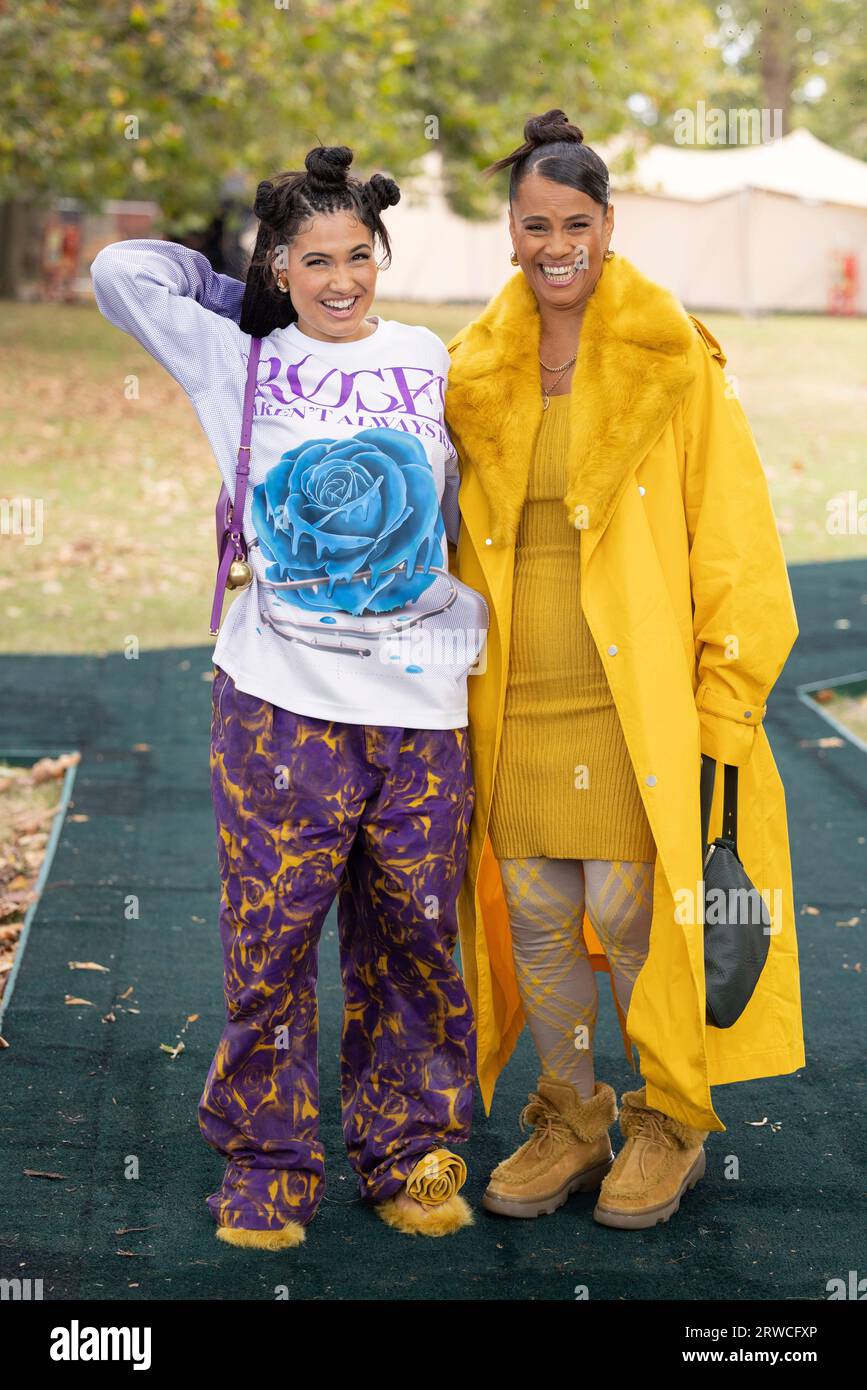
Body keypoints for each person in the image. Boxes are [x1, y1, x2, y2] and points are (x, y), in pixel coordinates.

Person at [90, 144, 488, 1249]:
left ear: (383, 256)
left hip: (421, 709)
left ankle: (409, 1149)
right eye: (313, 259)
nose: (342, 279)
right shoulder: (240, 359)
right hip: (277, 705)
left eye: (359, 254)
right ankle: (268, 1153)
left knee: (412, 937)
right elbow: (122, 271)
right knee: (271, 944)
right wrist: (245, 294)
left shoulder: (432, 355)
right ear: (278, 265)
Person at [444, 110, 804, 1229]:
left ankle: (670, 1119)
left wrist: (727, 704)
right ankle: (570, 1113)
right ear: (510, 233)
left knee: (638, 910)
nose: (556, 245)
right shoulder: (471, 368)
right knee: (539, 906)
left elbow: (736, 536)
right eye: (535, 224)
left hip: (633, 699)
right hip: (514, 692)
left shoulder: (671, 356)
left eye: (577, 223)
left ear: (609, 226)